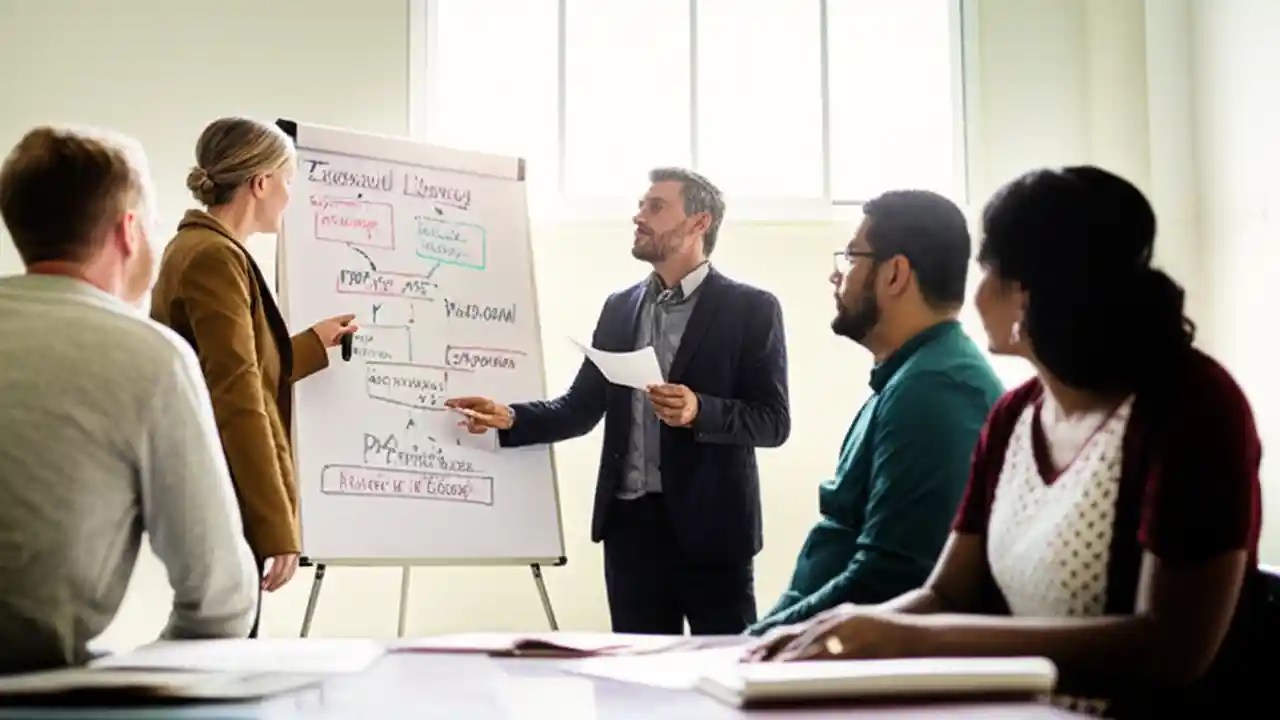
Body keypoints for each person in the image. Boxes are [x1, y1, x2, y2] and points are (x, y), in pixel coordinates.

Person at [747, 166, 1273, 716]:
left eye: (987, 268)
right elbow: (947, 594)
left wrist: (916, 641)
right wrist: (850, 628)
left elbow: (1171, 649)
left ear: (1028, 289)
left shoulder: (1193, 407)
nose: (974, 293)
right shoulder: (1013, 417)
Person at [448, 168, 789, 635]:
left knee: (723, 675)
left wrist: (699, 409)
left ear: (699, 222)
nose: (638, 216)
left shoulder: (751, 308)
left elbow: (773, 421)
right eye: (641, 205)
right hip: (631, 532)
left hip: (713, 532)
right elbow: (580, 408)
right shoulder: (620, 307)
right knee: (636, 686)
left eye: (655, 207)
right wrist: (509, 418)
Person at [0, 126, 258, 673]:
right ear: (128, 230)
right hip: (36, 692)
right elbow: (221, 604)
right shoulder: (151, 358)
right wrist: (127, 682)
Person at [748, 190, 1002, 636]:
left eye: (850, 258)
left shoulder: (937, 390)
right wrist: (752, 637)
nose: (835, 274)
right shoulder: (908, 378)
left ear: (895, 274)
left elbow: (888, 578)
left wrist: (756, 643)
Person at [150, 117, 356, 634]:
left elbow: (242, 364)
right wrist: (275, 524)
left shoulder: (200, 249)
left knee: (219, 643)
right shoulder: (215, 257)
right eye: (287, 180)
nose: (290, 195)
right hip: (221, 490)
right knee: (220, 651)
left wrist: (311, 344)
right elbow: (237, 394)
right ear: (260, 183)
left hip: (209, 483)